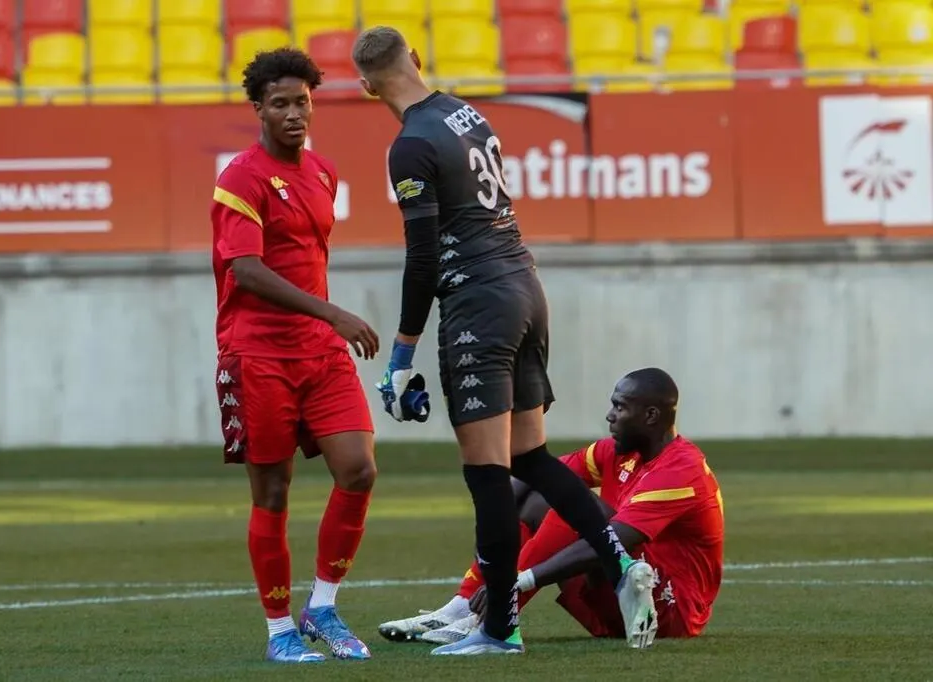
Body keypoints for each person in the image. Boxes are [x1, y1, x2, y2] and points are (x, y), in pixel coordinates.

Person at [351, 27, 658, 655]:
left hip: (478, 307)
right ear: (415, 59)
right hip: (525, 286)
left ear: (364, 87)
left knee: (487, 472)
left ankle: (499, 629)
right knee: (531, 461)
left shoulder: (409, 145)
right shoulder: (469, 115)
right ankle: (624, 566)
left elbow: (423, 256)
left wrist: (403, 353)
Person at [211, 47, 381, 664]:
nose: (293, 114)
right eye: (279, 103)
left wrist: (326, 324)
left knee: (359, 469)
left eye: (302, 102)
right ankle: (280, 629)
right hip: (257, 354)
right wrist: (333, 312)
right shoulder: (241, 178)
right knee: (274, 495)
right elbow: (248, 271)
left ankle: (325, 605)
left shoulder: (323, 173)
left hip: (319, 352)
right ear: (257, 108)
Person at [378, 369, 724, 648]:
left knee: (572, 505)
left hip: (667, 610)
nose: (610, 415)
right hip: (619, 594)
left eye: (620, 407)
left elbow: (614, 539)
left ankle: (498, 617)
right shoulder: (617, 452)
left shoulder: (683, 468)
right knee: (541, 495)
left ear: (650, 415)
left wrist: (517, 581)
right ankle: (461, 609)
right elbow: (534, 477)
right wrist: (492, 534)